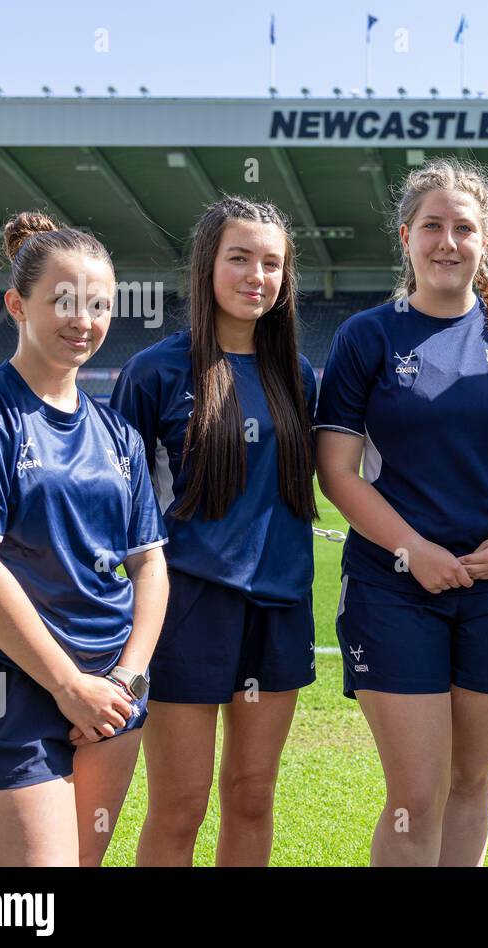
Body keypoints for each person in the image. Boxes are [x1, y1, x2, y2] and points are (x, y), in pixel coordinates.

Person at [316, 157, 488, 866]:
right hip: (395, 588)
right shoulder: (368, 335)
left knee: (470, 779)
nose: (447, 241)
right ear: (406, 238)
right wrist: (412, 551)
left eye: (464, 227)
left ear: (487, 240)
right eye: (433, 227)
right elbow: (338, 471)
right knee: (415, 795)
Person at [0, 212, 168, 866]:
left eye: (98, 305)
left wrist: (129, 677)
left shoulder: (119, 436)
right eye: (62, 300)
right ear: (16, 305)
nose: (81, 318)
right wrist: (66, 685)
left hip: (112, 692)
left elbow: (150, 565)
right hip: (13, 690)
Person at [111, 197, 318, 867]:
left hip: (281, 604)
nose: (257, 275)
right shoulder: (155, 372)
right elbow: (120, 503)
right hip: (187, 609)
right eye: (240, 258)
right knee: (180, 806)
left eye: (272, 263)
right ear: (207, 265)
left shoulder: (299, 374)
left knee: (254, 795)